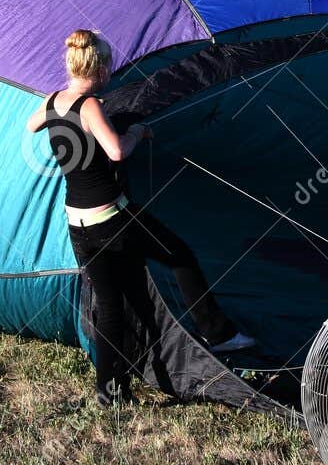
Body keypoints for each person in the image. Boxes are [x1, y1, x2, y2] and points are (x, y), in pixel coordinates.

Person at [26, 29, 254, 405]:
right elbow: (116, 152)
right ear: (99, 68)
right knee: (178, 253)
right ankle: (217, 333)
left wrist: (57, 112)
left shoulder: (54, 101)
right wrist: (136, 132)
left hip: (77, 224)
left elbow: (31, 125)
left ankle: (108, 391)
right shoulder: (89, 106)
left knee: (110, 304)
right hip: (112, 217)